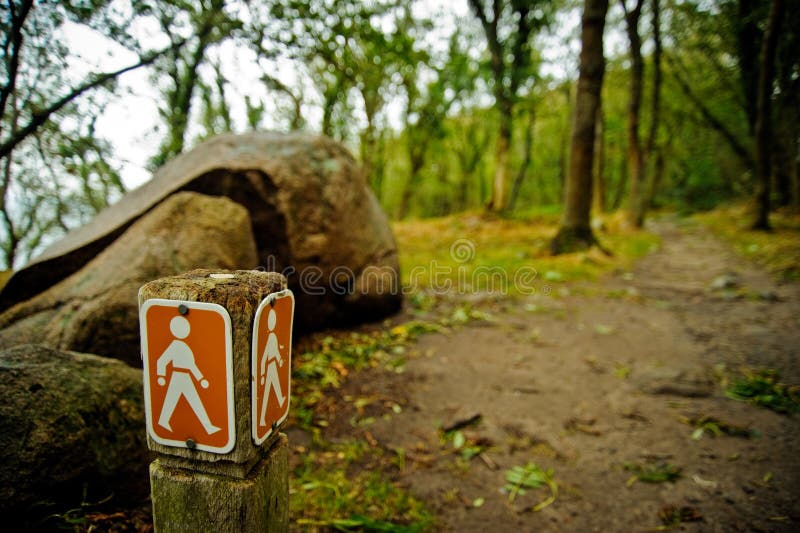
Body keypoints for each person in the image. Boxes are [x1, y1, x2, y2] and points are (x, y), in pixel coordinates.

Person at [156, 315, 221, 435]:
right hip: (177, 375)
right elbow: (161, 360)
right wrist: (161, 376)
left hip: (185, 376)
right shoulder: (175, 345)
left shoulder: (185, 347)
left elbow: (192, 365)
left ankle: (208, 426)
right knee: (174, 400)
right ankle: (163, 421)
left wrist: (200, 379)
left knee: (191, 400)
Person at [259, 308, 286, 427]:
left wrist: (279, 360)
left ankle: (280, 400)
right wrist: (262, 374)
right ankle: (262, 419)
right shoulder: (271, 337)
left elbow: (275, 352)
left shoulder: (272, 336)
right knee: (266, 393)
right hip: (270, 366)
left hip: (273, 365)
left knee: (276, 386)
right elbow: (266, 355)